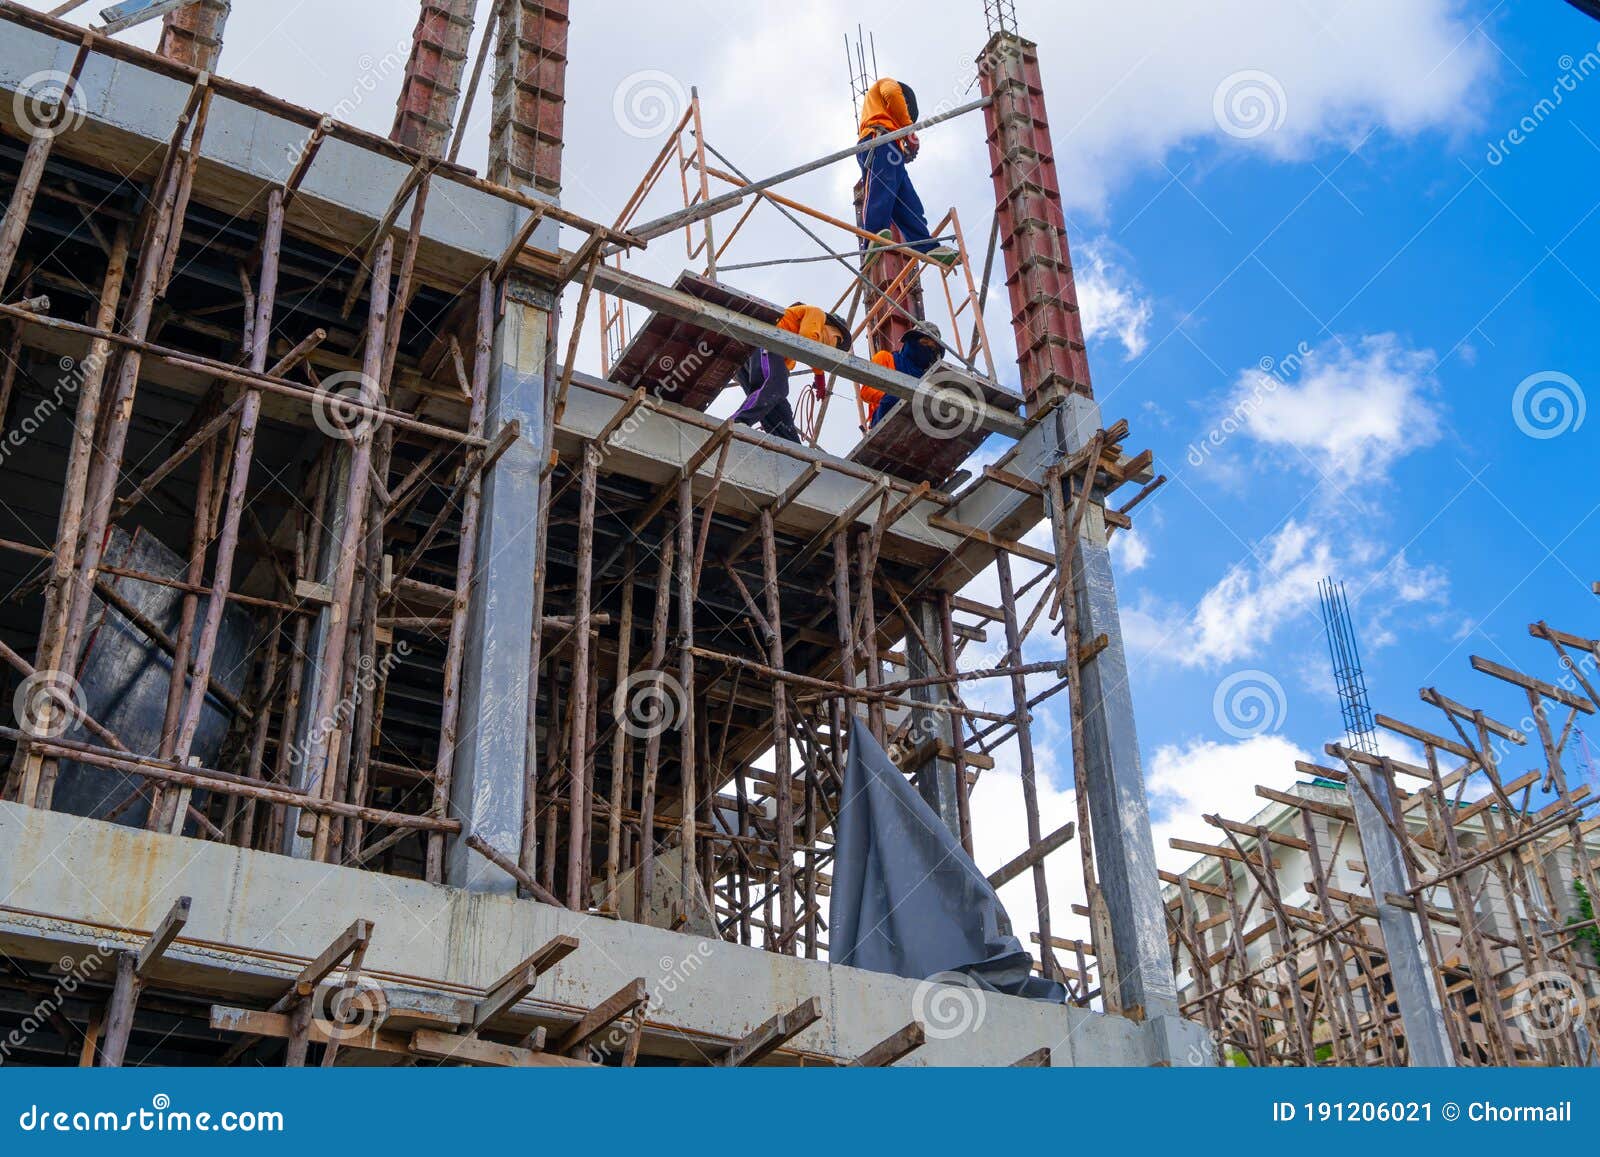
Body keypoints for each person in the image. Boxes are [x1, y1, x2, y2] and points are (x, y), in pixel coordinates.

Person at [857, 77, 960, 268]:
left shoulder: (892, 128)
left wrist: (902, 145)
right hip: (877, 140)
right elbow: (892, 95)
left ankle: (926, 245)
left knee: (908, 203)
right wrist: (908, 130)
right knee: (880, 188)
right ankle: (872, 234)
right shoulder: (887, 84)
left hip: (889, 145)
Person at [731, 304, 850, 443]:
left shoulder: (792, 339)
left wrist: (818, 374)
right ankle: (738, 421)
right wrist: (819, 374)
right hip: (767, 342)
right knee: (777, 386)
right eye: (836, 341)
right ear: (831, 328)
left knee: (780, 408)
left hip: (757, 354)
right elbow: (808, 338)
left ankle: (790, 449)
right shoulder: (817, 313)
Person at [860, 323, 944, 428]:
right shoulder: (886, 358)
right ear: (912, 339)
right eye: (924, 342)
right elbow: (866, 391)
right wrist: (890, 396)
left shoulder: (928, 378)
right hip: (883, 421)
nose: (927, 348)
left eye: (932, 348)